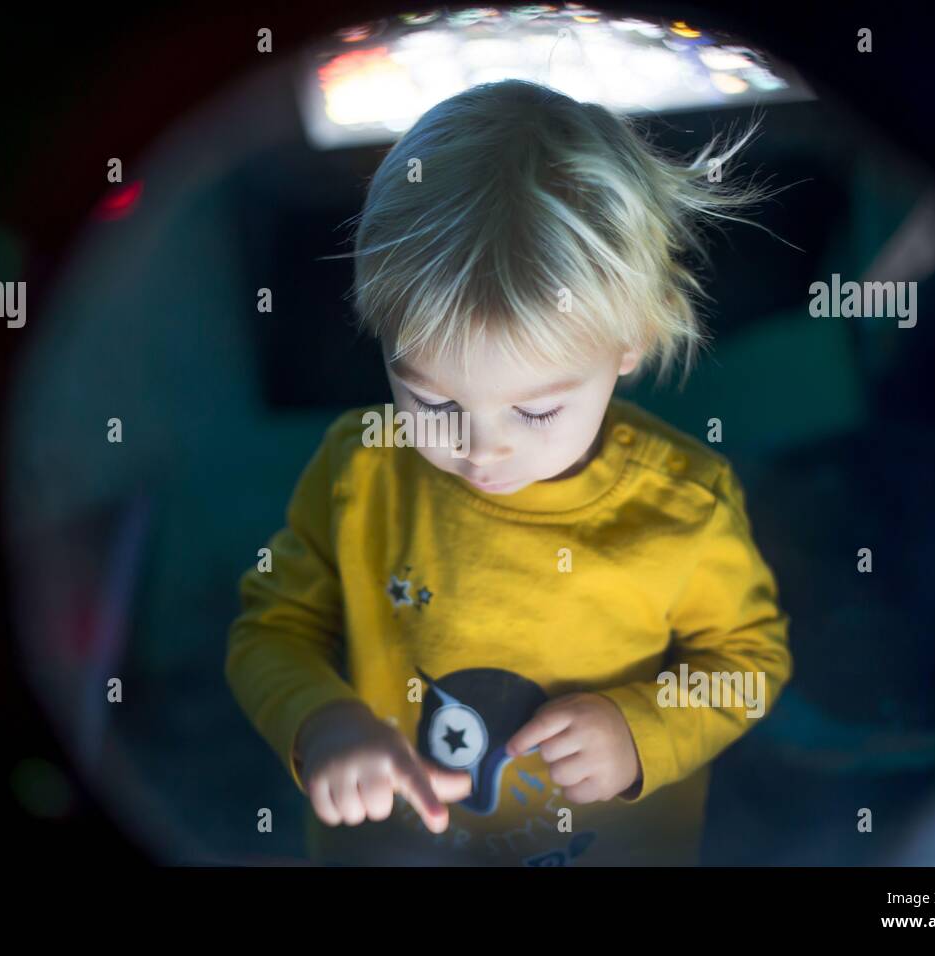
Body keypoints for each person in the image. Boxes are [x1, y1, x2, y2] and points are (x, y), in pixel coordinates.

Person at [225, 79, 792, 865]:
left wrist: (643, 728)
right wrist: (322, 721)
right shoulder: (360, 472)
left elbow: (749, 661)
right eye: (432, 400)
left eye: (535, 414)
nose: (481, 450)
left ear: (626, 348)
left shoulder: (684, 507)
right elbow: (271, 632)